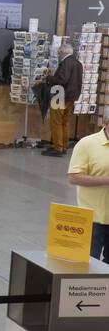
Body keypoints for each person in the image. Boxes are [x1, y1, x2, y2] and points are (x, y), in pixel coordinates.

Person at [69, 115, 109, 262]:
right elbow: (73, 177)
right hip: (93, 218)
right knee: (88, 265)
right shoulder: (87, 144)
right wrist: (105, 180)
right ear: (106, 123)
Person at [42, 43, 83, 159]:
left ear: (64, 52)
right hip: (71, 96)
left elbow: (62, 79)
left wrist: (49, 78)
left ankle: (58, 148)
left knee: (56, 122)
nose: (58, 55)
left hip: (60, 95)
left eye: (59, 53)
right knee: (65, 122)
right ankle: (64, 146)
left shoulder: (65, 63)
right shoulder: (78, 63)